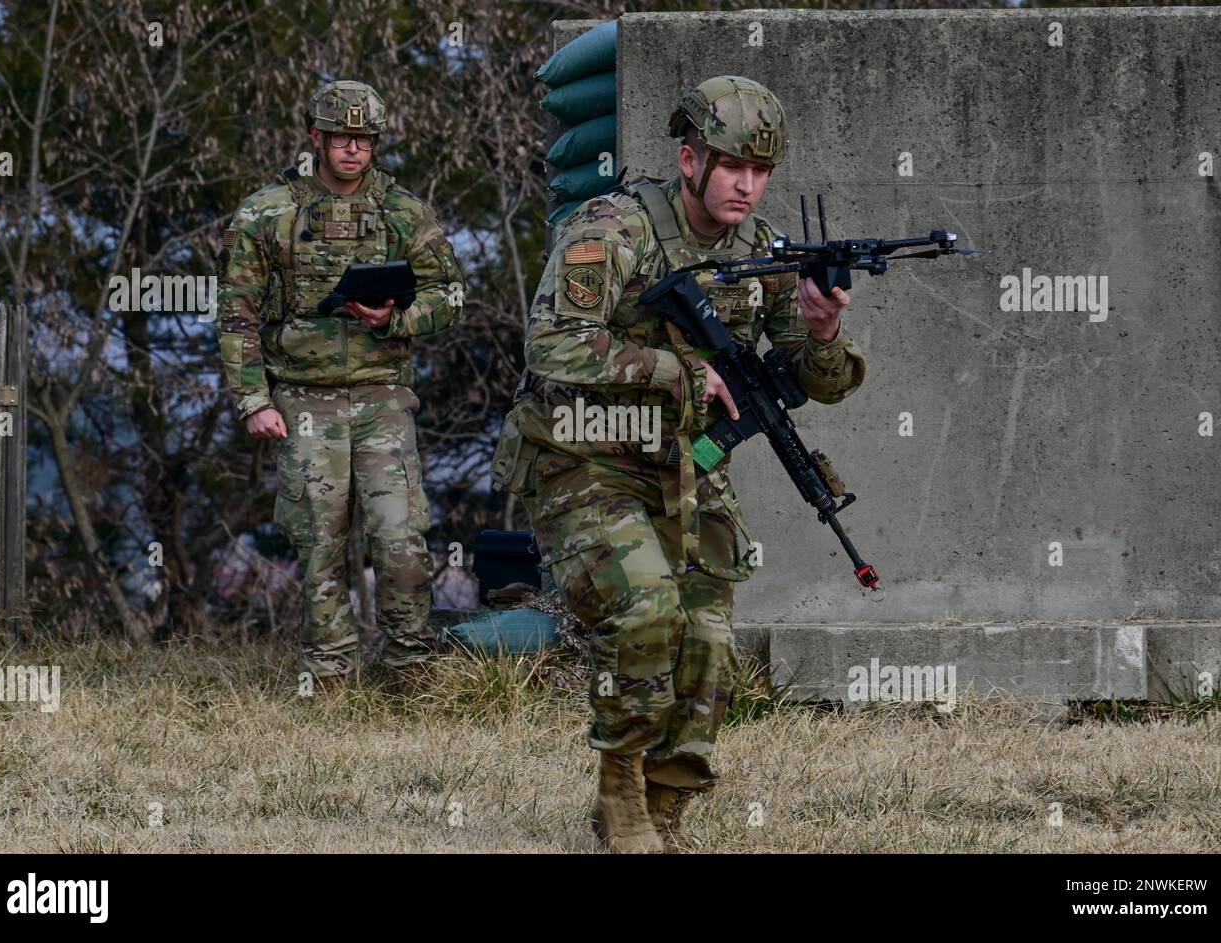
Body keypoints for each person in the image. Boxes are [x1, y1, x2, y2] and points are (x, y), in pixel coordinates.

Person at [491, 76, 867, 852]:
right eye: (732, 166)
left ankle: (667, 806)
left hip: (683, 463)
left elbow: (815, 384)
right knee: (646, 608)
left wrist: (822, 330)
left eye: (761, 172)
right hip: (581, 453)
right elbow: (553, 343)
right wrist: (678, 373)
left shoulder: (760, 253)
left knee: (707, 636)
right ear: (690, 158)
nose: (747, 184)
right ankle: (621, 788)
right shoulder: (613, 227)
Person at [215, 80, 463, 683]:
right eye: (342, 138)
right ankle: (327, 677)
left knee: (399, 538)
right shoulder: (268, 212)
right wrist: (253, 399)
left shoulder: (403, 211)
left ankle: (410, 671)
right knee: (319, 543)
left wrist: (398, 317)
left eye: (365, 139)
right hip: (302, 398)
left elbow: (452, 293)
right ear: (316, 138)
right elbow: (237, 312)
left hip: (383, 398)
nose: (354, 150)